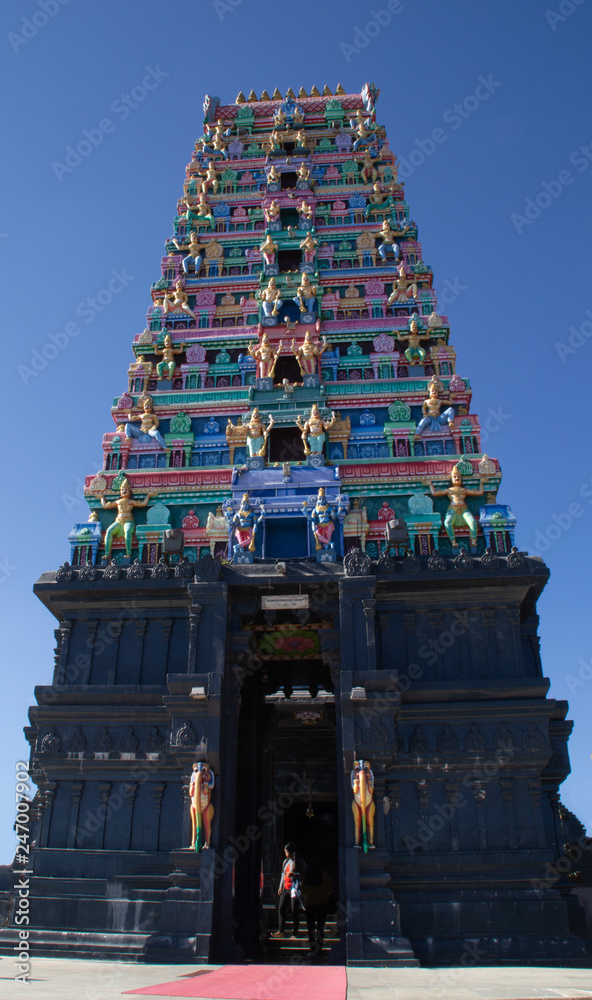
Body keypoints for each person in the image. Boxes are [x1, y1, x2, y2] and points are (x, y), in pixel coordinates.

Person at [273, 843, 306, 939]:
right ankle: (281, 930)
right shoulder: (285, 862)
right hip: (286, 888)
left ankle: (295, 933)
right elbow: (283, 874)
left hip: (294, 888)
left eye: (287, 852)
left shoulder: (298, 861)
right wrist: (281, 887)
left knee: (294, 910)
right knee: (281, 908)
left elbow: (303, 873)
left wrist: (294, 875)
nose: (286, 854)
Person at [302, 858, 333, 957]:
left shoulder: (306, 876)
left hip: (310, 904)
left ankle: (312, 949)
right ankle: (319, 950)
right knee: (320, 928)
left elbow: (303, 891)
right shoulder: (324, 875)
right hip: (322, 903)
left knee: (311, 929)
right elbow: (330, 889)